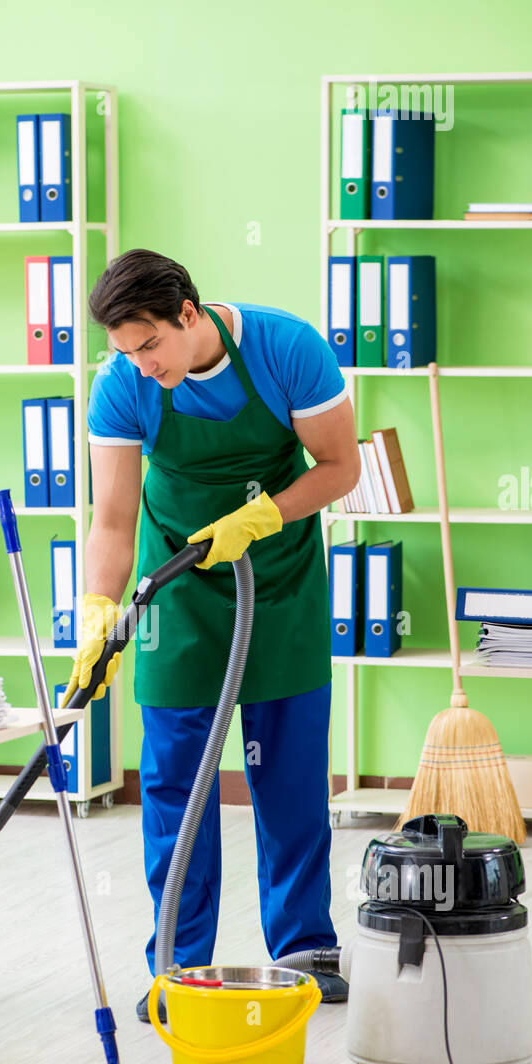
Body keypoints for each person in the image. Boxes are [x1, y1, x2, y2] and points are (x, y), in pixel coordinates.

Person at [62, 249, 360, 1017]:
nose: (140, 364)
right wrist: (96, 613)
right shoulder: (122, 386)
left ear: (187, 315)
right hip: (176, 583)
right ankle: (176, 958)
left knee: (288, 771)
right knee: (173, 781)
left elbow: (337, 466)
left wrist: (262, 516)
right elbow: (113, 518)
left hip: (280, 573)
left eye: (149, 345)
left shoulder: (285, 348)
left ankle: (303, 947)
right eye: (125, 351)